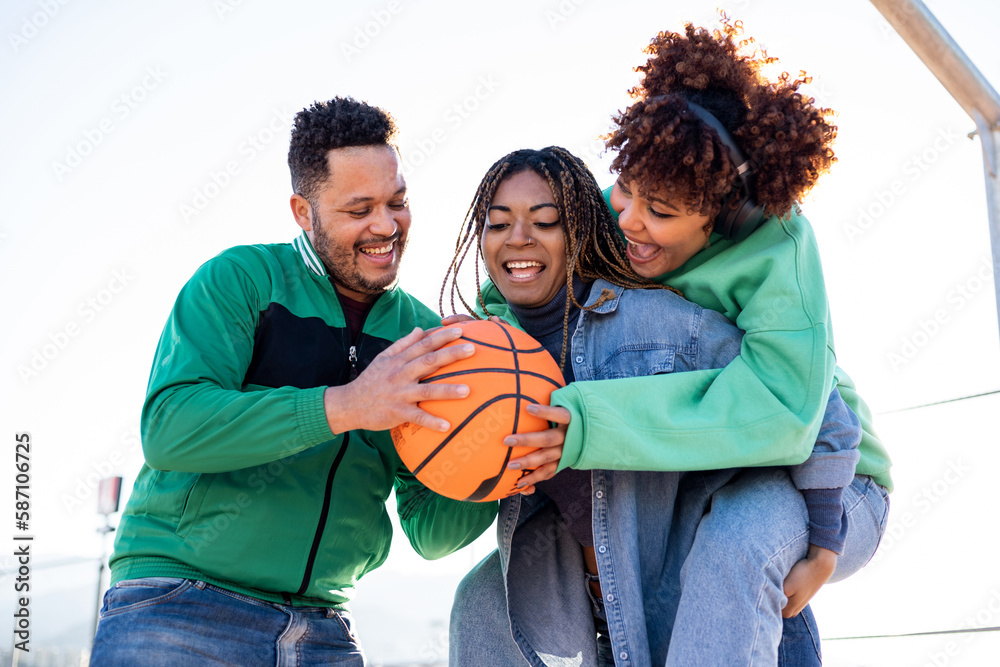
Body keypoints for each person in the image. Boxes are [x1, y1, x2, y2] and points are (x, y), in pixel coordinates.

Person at [451, 18, 891, 666]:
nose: (628, 218)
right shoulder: (617, 219)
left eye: (659, 211)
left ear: (718, 215)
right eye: (625, 188)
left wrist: (824, 540)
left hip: (826, 477)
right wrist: (494, 347)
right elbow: (529, 278)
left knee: (735, 545)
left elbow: (799, 413)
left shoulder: (778, 250)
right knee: (487, 595)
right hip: (706, 471)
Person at [89, 97, 498, 666]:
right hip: (181, 604)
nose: (386, 225)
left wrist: (501, 467)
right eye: (359, 209)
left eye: (397, 202)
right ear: (303, 212)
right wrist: (346, 406)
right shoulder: (240, 280)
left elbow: (430, 531)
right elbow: (170, 428)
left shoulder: (423, 338)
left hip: (324, 630)